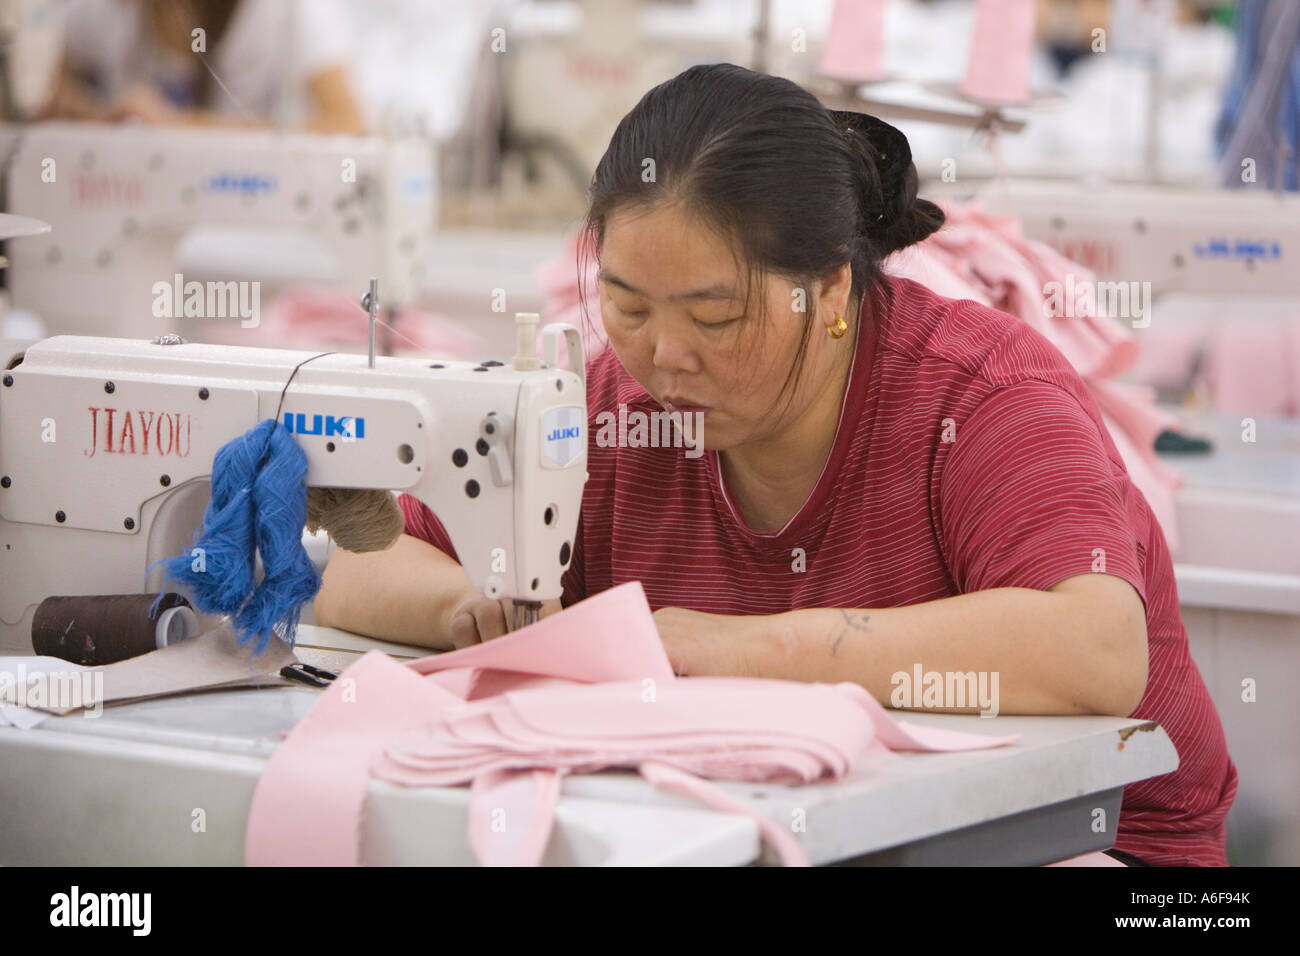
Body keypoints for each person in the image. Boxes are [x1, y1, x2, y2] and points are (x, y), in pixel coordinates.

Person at [313, 63, 1237, 866]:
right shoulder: (609, 409)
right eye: (628, 308)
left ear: (830, 287)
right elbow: (359, 564)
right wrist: (473, 610)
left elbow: (1095, 650)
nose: (664, 355)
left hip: (1092, 849)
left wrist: (733, 649)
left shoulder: (980, 394)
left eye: (715, 317)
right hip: (787, 835)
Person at [41, 0, 363, 133]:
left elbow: (348, 122)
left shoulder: (295, 11)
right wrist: (96, 116)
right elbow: (52, 99)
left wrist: (179, 124)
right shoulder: (102, 13)